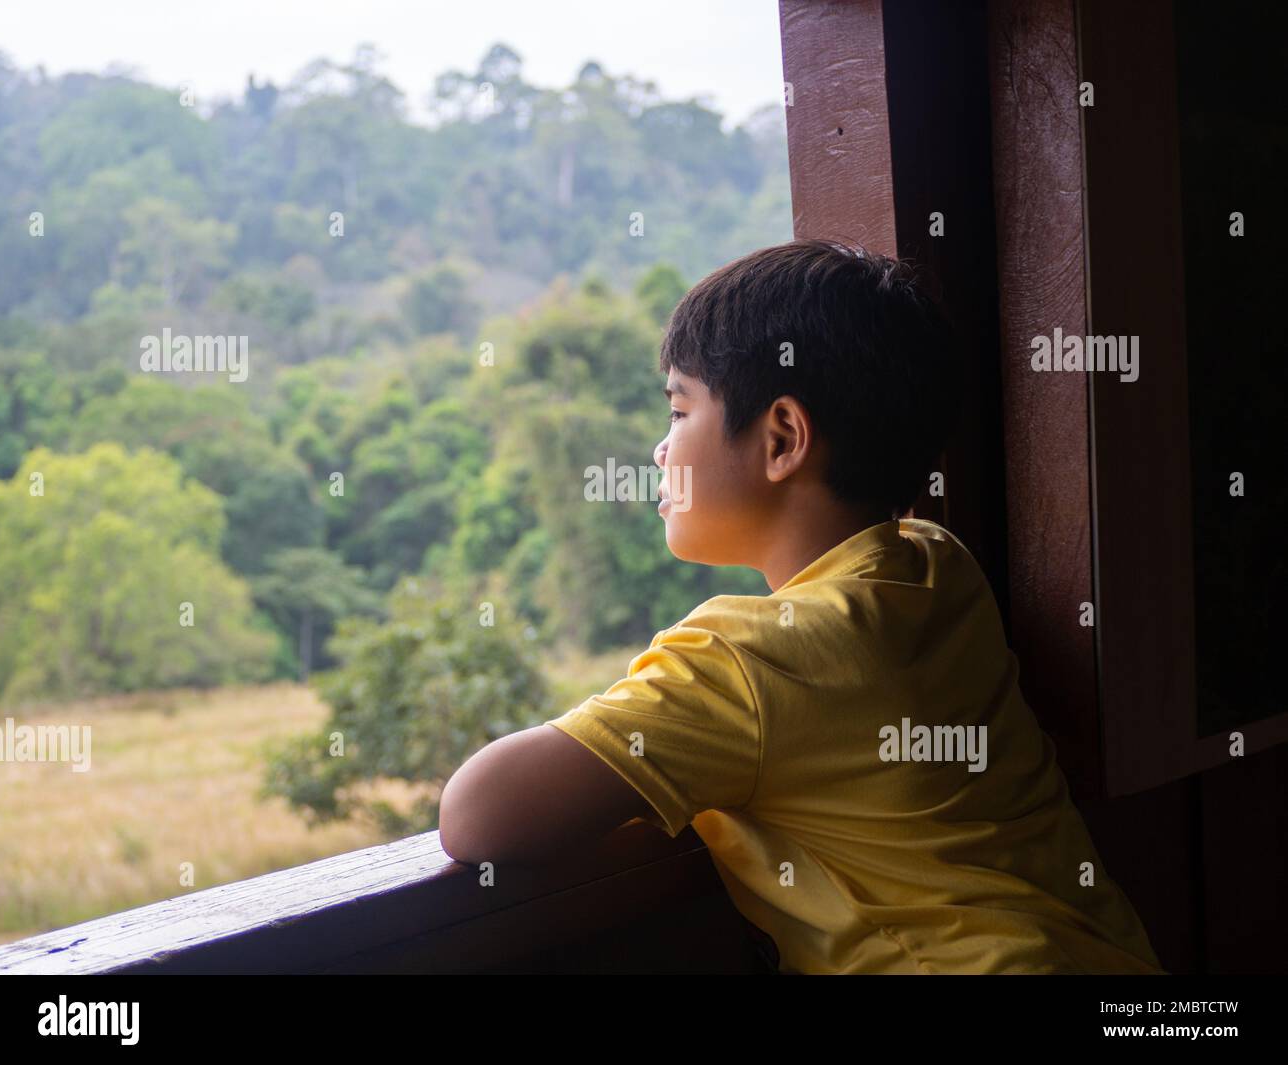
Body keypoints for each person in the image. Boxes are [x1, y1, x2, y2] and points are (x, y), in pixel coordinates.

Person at [438, 238, 1166, 975]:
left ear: (782, 436)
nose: (660, 451)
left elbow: (477, 815)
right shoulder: (939, 563)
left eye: (679, 410)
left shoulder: (745, 663)